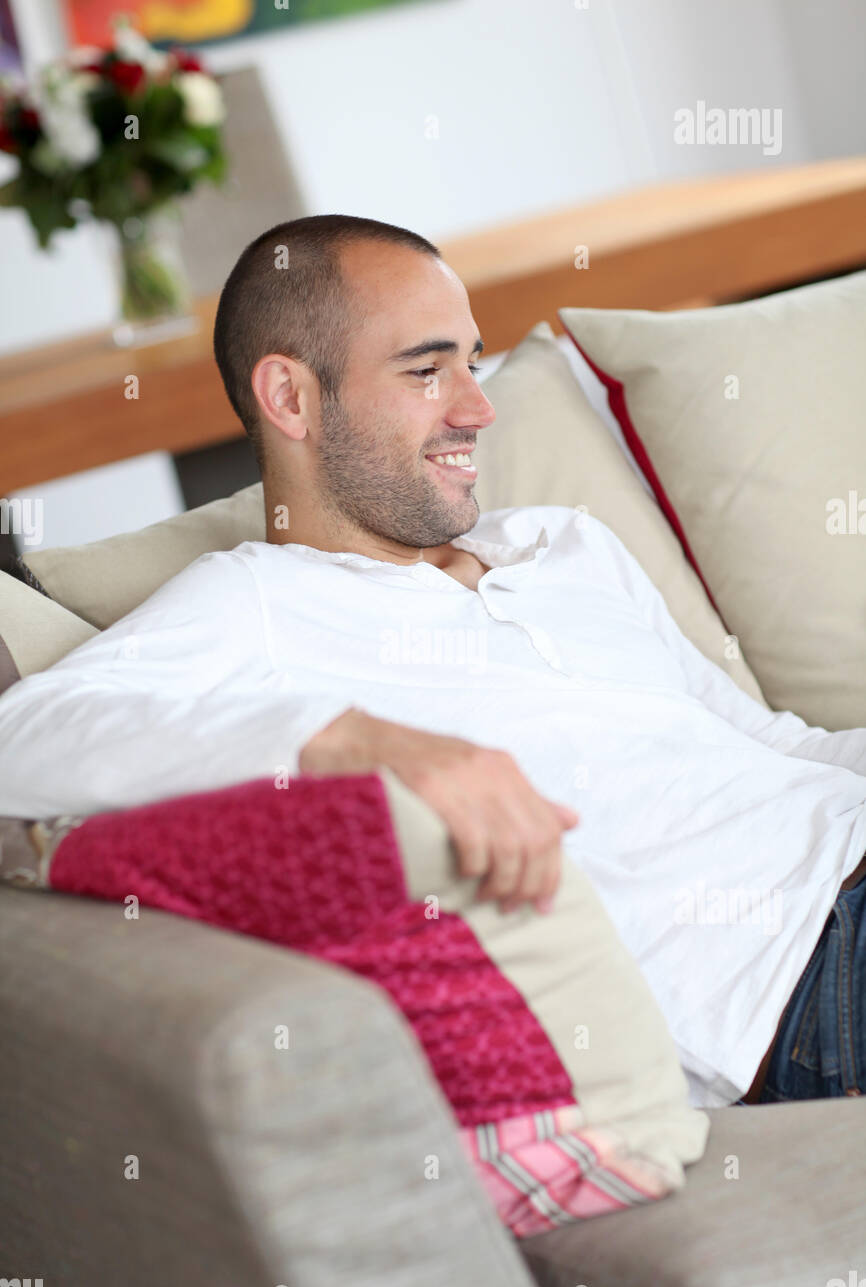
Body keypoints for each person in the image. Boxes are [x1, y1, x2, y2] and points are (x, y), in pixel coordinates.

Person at [1, 214, 865, 1112]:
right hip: (806, 979)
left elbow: (770, 743)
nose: (477, 408)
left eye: (472, 363)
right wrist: (347, 740)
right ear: (291, 399)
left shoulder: (560, 542)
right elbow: (18, 738)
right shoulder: (253, 605)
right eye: (426, 371)